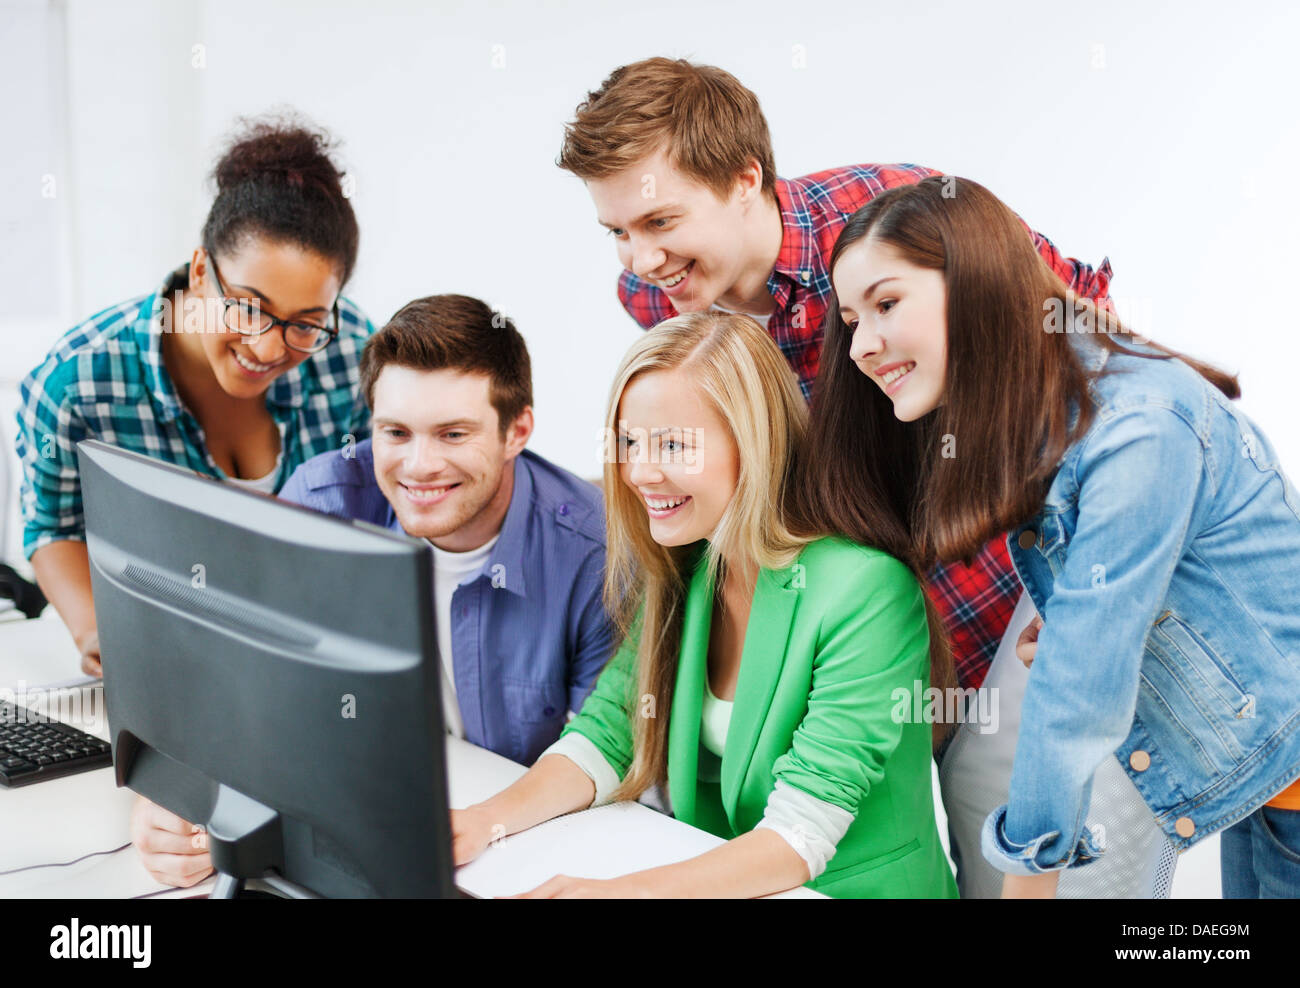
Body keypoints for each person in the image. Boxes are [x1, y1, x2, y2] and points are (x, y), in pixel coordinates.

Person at [557, 55, 1115, 754]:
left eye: (660, 220)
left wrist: (1092, 583)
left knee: (1016, 828)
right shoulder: (656, 300)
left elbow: (1086, 333)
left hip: (1014, 587)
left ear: (744, 181)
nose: (640, 260)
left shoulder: (891, 217)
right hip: (873, 620)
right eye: (617, 232)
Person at [802, 173, 1300, 898]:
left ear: (978, 287)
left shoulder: (1136, 430)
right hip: (1273, 782)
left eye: (886, 304)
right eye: (851, 320)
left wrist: (1028, 882)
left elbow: (1075, 698)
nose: (861, 348)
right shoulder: (1048, 418)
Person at [452, 310, 958, 898]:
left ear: (755, 443)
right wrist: (484, 821)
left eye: (673, 444)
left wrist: (623, 893)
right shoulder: (689, 565)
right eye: (629, 443)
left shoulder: (865, 590)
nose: (640, 472)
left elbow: (801, 833)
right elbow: (609, 733)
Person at [131, 294, 615, 889]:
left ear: (517, 430)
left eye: (453, 433)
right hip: (354, 825)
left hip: (519, 845)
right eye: (395, 432)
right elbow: (240, 682)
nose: (419, 465)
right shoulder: (321, 506)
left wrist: (488, 823)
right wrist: (185, 794)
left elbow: (610, 745)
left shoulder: (594, 552)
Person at [14, 115, 375, 678]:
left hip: (305, 663)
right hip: (165, 663)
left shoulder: (350, 352)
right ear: (202, 269)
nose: (267, 346)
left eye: (305, 322)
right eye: (249, 307)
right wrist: (96, 633)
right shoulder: (78, 381)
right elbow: (52, 528)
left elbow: (371, 513)